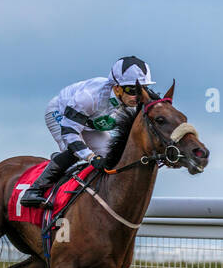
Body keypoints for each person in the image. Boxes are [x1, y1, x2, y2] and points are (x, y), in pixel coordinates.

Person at [20, 55, 157, 208]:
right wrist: (91, 157)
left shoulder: (136, 96)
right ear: (117, 87)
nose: (138, 96)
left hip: (91, 123)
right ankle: (34, 190)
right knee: (74, 153)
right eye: (132, 90)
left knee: (111, 158)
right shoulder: (89, 97)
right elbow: (70, 133)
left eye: (143, 89)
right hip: (61, 114)